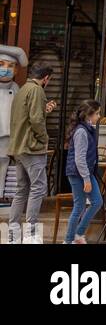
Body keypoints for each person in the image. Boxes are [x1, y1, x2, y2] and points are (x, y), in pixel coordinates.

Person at [8, 61, 56, 243]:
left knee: (22, 190)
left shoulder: (22, 90)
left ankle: (13, 234)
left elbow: (27, 116)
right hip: (32, 147)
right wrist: (44, 139)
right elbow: (36, 120)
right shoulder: (37, 90)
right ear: (46, 78)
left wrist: (45, 110)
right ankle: (31, 235)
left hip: (18, 146)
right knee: (38, 187)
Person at [64, 100, 104, 245]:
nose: (99, 116)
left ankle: (78, 234)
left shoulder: (87, 129)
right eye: (97, 113)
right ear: (89, 115)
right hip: (77, 173)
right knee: (79, 206)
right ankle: (69, 240)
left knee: (96, 202)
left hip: (85, 172)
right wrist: (86, 179)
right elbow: (79, 158)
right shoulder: (81, 131)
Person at [0, 45, 27, 207]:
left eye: (10, 66)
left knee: (3, 163)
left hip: (8, 135)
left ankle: (1, 193)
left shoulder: (16, 89)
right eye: (2, 64)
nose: (6, 69)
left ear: (16, 71)